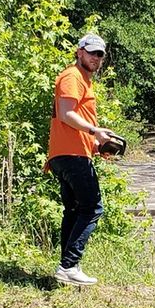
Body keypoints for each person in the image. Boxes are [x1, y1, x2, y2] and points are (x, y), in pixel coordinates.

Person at [46, 31, 123, 287]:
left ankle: (67, 267)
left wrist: (97, 144)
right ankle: (69, 265)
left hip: (69, 153)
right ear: (80, 52)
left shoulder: (84, 81)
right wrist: (95, 131)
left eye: (100, 54)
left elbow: (71, 122)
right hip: (70, 156)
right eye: (91, 52)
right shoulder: (72, 76)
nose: (96, 58)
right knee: (92, 207)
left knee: (74, 210)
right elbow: (66, 114)